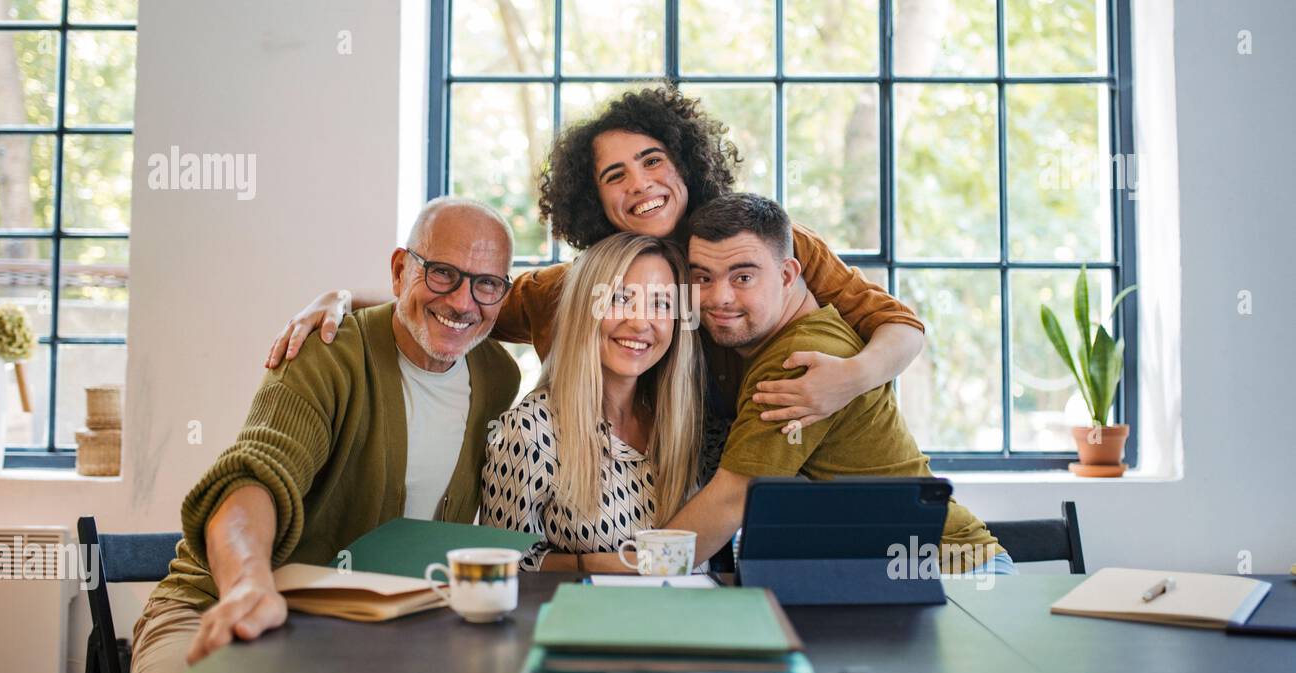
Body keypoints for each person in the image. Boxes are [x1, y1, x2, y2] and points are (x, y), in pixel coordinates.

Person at [264, 87, 926, 433]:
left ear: (686, 165)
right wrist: (344, 298)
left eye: (652, 161)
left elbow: (900, 326)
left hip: (741, 491)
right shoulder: (568, 289)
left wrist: (854, 376)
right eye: (614, 176)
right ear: (595, 201)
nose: (639, 184)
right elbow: (462, 298)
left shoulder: (770, 247)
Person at [126, 199, 521, 673]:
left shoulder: (497, 376)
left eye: (485, 284)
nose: (463, 300)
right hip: (220, 609)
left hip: (365, 634)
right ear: (401, 269)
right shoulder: (328, 351)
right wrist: (247, 583)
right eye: (443, 273)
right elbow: (254, 475)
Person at [668, 193, 1015, 575]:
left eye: (744, 277)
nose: (719, 297)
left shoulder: (798, 361)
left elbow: (731, 500)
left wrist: (628, 563)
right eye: (702, 277)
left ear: (787, 275)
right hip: (895, 574)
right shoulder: (788, 338)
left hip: (955, 573)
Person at [481, 233, 712, 572]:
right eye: (620, 298)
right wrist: (613, 565)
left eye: (661, 304)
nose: (639, 322)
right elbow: (506, 565)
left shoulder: (691, 425)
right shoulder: (530, 430)